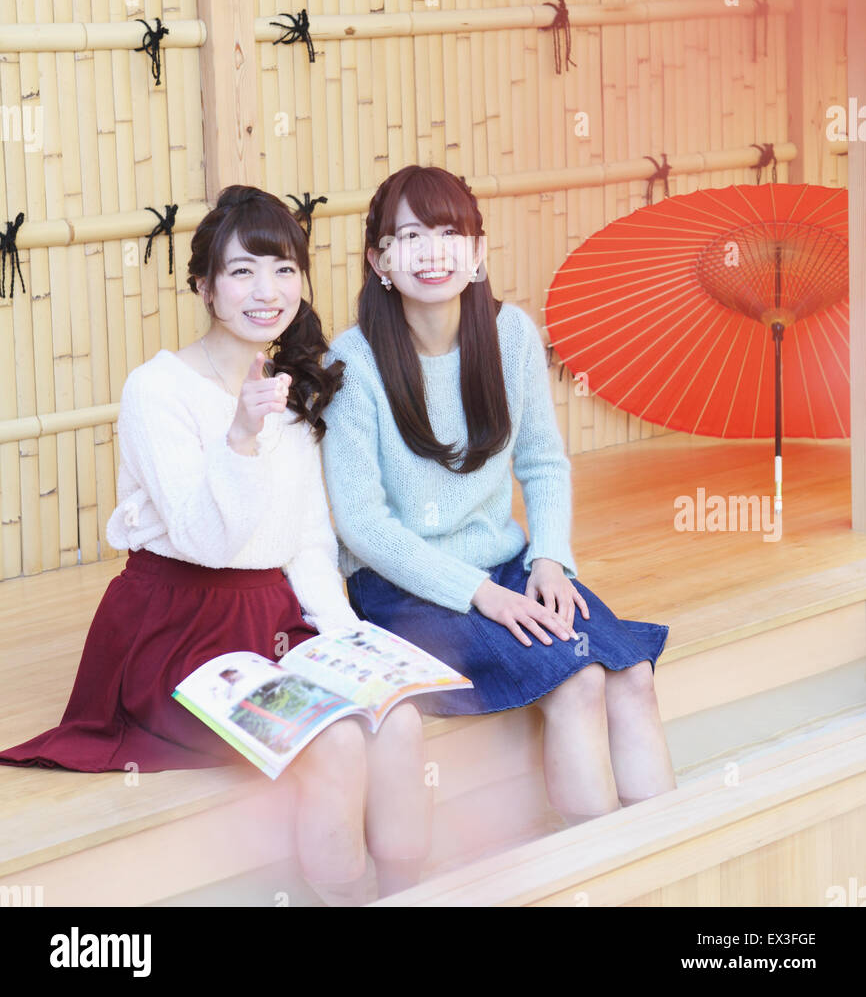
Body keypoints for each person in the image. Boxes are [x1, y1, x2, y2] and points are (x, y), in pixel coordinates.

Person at [0, 185, 431, 906]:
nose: (267, 291)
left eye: (284, 269)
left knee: (398, 716)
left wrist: (349, 641)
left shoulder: (291, 385)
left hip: (274, 619)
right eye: (242, 272)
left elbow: (307, 542)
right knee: (336, 740)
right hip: (178, 627)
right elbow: (204, 539)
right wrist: (240, 437)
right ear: (203, 286)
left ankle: (409, 894)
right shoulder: (156, 390)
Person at [321, 165, 677, 830]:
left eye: (451, 233)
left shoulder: (510, 335)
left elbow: (542, 464)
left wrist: (549, 558)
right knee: (578, 681)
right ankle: (593, 881)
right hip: (406, 587)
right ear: (379, 261)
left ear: (479, 252)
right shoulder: (354, 362)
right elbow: (363, 527)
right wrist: (480, 594)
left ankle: (664, 873)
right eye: (409, 235)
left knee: (630, 676)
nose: (432, 252)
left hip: (508, 566)